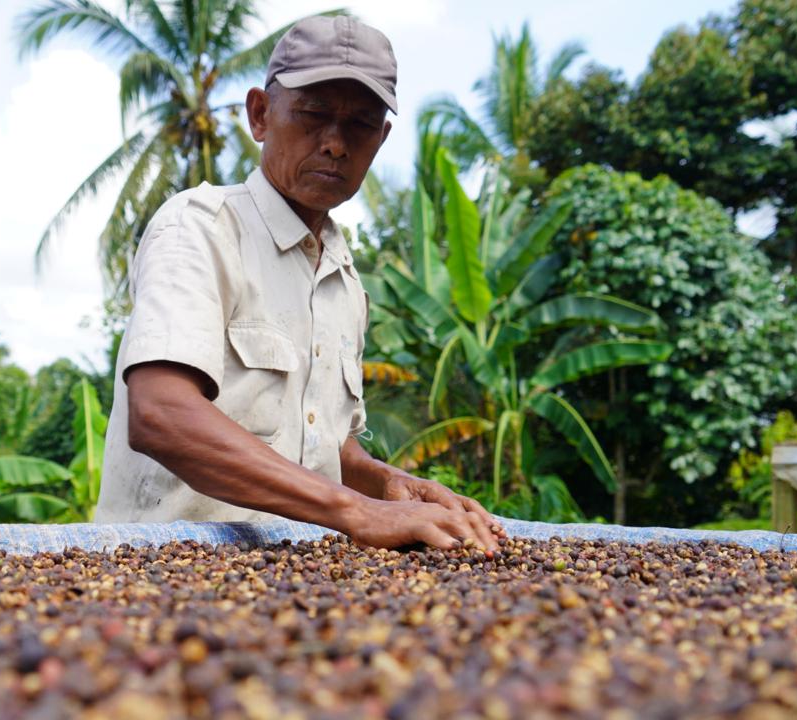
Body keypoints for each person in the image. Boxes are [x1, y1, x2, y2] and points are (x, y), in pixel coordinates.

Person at [94, 15, 503, 555]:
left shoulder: (345, 279)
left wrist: (385, 485)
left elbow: (330, 449)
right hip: (159, 570)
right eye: (313, 115)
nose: (335, 144)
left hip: (298, 576)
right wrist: (358, 512)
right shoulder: (200, 227)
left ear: (381, 140)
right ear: (261, 115)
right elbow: (161, 414)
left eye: (360, 125)